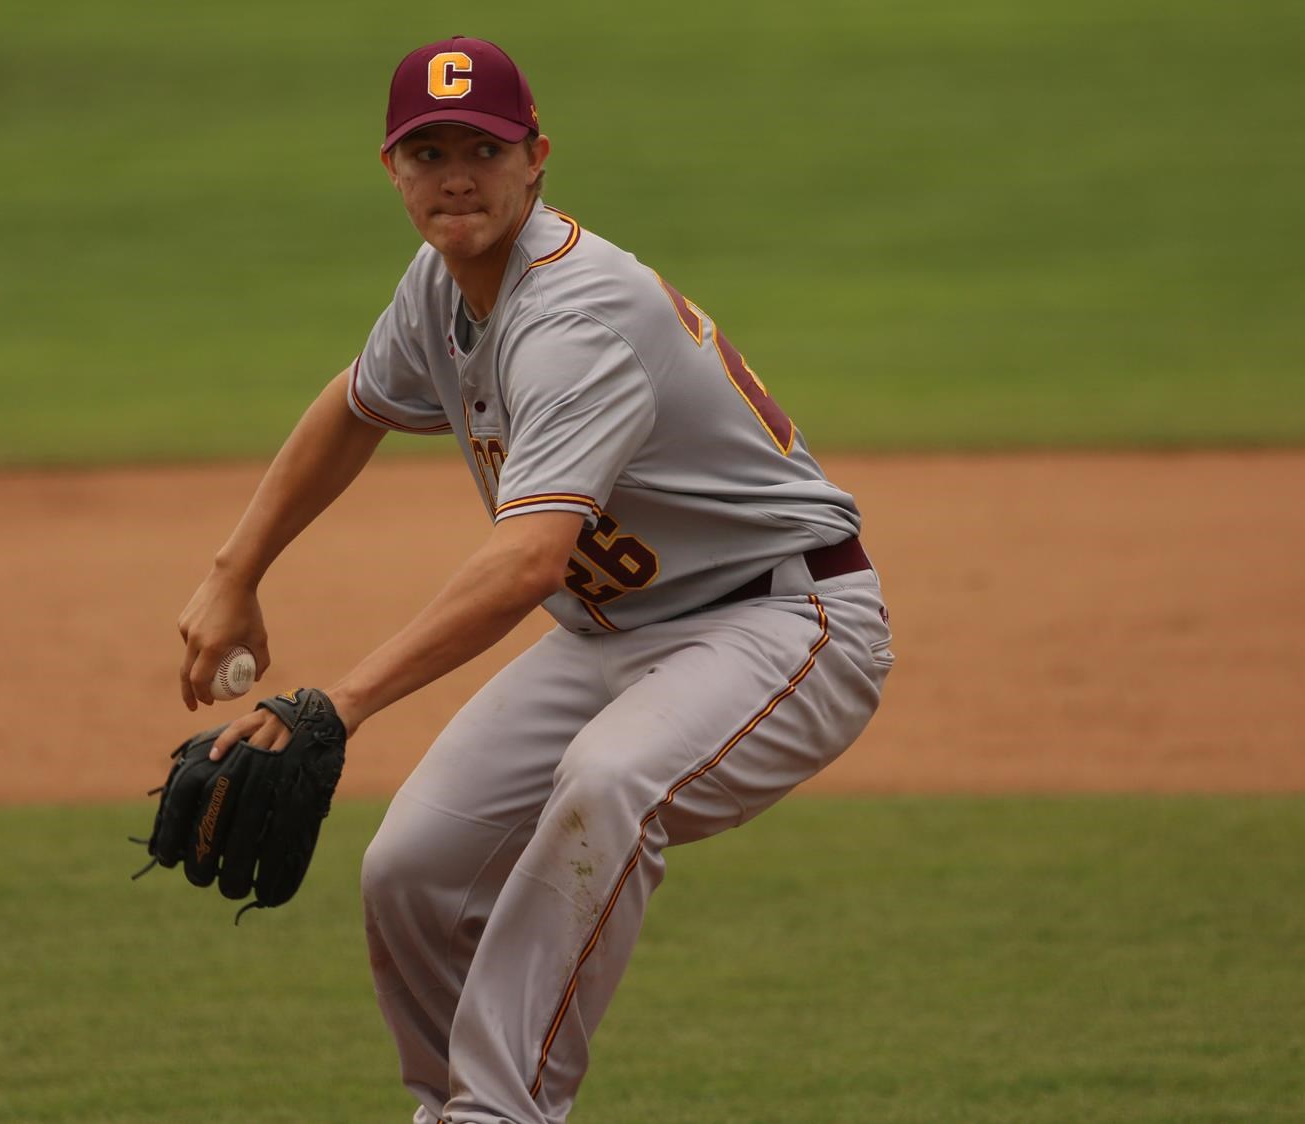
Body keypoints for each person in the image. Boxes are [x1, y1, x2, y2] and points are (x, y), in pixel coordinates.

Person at [176, 36, 894, 1124]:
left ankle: (497, 1114)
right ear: (391, 170)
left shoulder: (577, 315)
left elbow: (524, 561)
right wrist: (235, 571)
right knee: (409, 868)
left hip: (784, 619)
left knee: (609, 781)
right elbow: (357, 401)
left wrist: (341, 701)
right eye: (426, 151)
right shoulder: (441, 283)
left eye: (483, 147)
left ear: (536, 160)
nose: (454, 174)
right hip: (615, 633)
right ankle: (447, 1105)